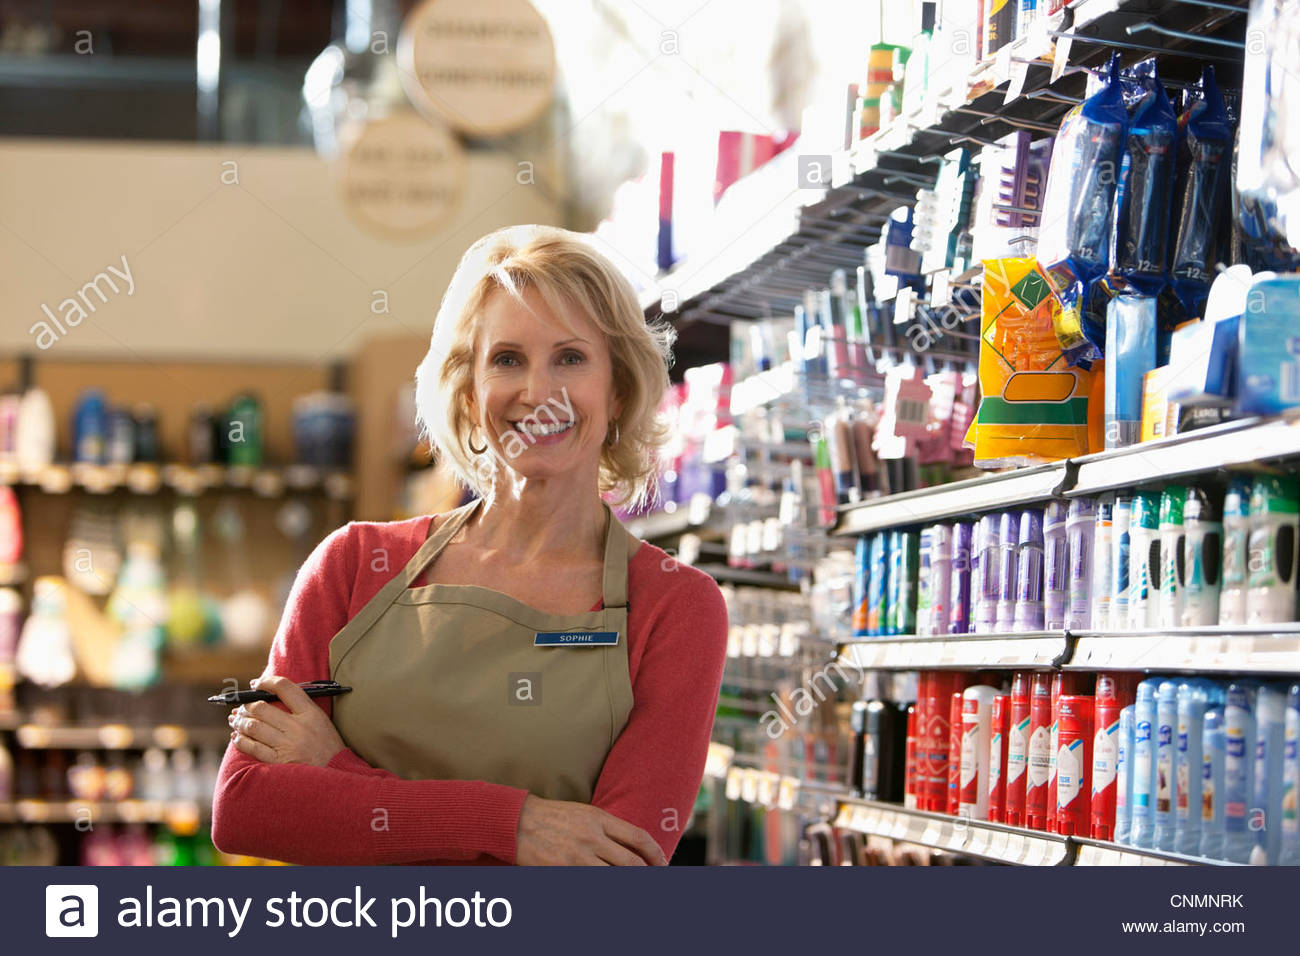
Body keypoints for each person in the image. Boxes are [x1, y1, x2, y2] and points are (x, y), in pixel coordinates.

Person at [210, 225, 729, 865]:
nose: (538, 393)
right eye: (507, 359)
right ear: (468, 388)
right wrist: (516, 828)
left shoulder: (675, 606)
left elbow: (615, 866)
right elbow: (248, 810)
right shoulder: (353, 566)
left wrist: (336, 772)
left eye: (571, 357)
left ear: (617, 388)